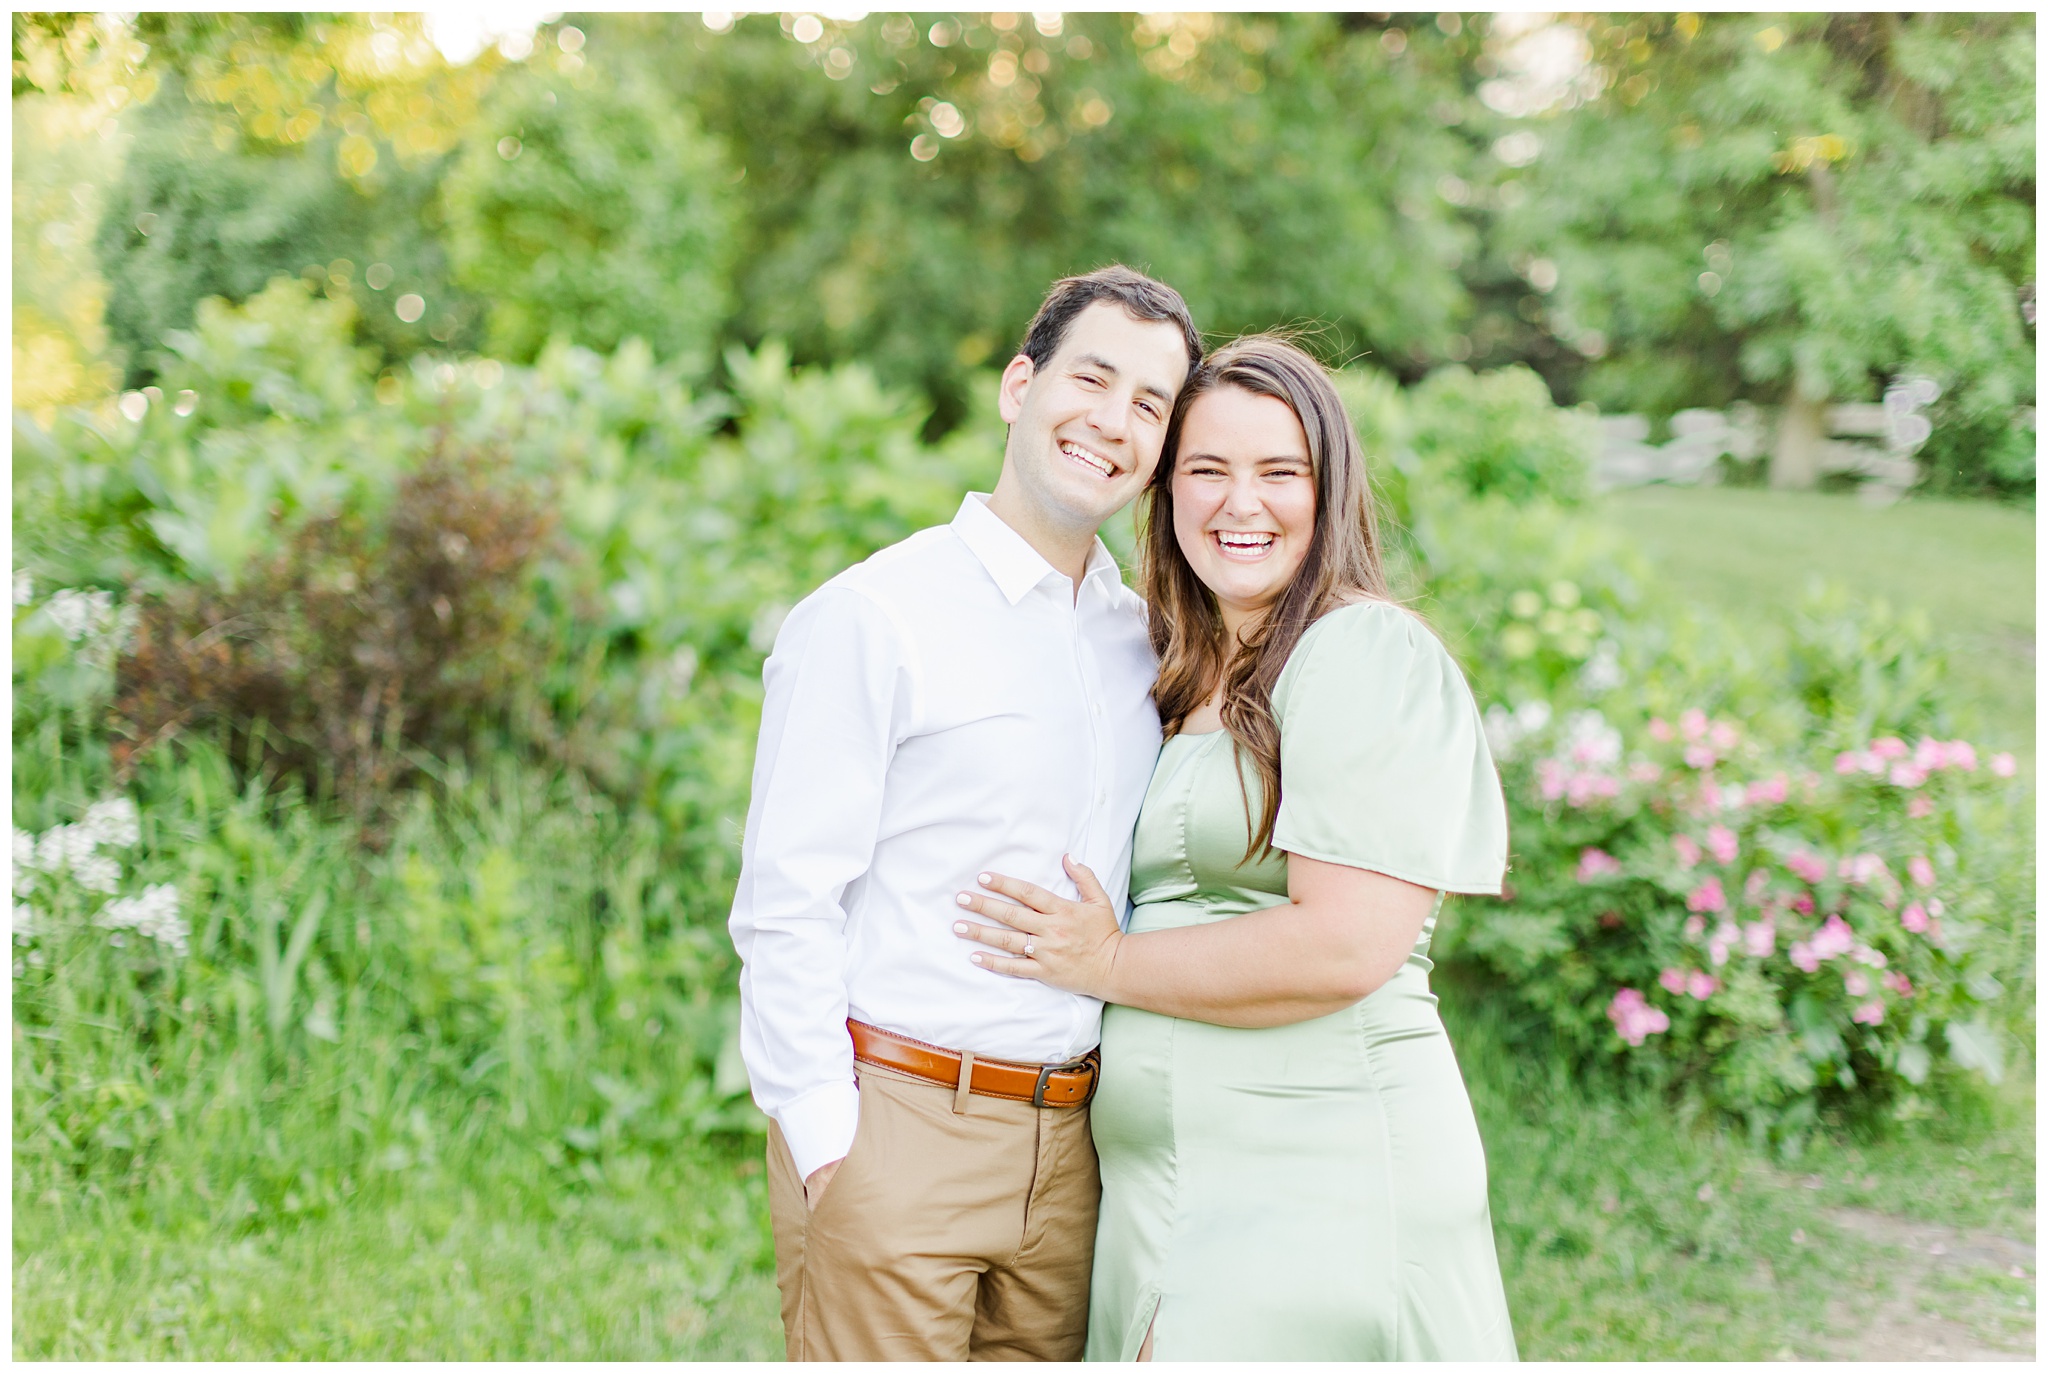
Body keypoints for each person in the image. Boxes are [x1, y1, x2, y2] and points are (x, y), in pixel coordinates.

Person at [952, 335, 1518, 1361]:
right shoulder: (1176, 671)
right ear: (1164, 493)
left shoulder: (1359, 651)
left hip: (1317, 1175)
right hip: (1165, 1192)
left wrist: (1105, 962)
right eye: (1205, 471)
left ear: (1327, 490)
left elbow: (1346, 945)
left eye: (1277, 472)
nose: (1237, 504)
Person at [727, 266, 1201, 1361]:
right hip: (898, 1123)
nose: (1112, 422)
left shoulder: (1144, 642)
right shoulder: (873, 615)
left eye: (1149, 403)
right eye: (1092, 379)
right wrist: (825, 1137)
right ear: (1017, 387)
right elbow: (786, 897)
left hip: (1078, 1147)